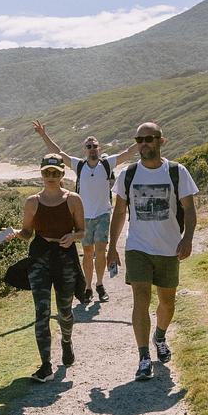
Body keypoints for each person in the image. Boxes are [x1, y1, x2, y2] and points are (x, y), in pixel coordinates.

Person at [106, 122, 198, 381]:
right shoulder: (128, 174)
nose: (143, 143)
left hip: (169, 248)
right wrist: (112, 247)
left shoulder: (177, 172)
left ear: (161, 141)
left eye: (149, 138)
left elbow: (189, 209)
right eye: (139, 140)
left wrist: (187, 239)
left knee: (167, 302)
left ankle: (160, 336)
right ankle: (144, 357)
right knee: (141, 298)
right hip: (138, 248)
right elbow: (119, 212)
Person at [0, 154, 87, 382]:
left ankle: (66, 341)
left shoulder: (73, 199)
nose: (51, 176)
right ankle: (46, 366)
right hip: (39, 257)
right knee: (42, 312)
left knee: (65, 311)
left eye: (55, 172)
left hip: (65, 258)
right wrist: (15, 234)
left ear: (62, 174)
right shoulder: (32, 202)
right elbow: (27, 233)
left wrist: (73, 237)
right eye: (47, 172)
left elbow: (82, 231)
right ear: (41, 174)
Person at [32, 120, 138, 304]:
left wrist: (145, 139)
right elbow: (59, 153)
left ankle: (100, 285)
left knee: (101, 250)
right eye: (89, 146)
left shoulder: (107, 164)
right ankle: (88, 287)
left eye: (94, 146)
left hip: (103, 214)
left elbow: (128, 153)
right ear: (85, 150)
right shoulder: (79, 166)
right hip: (84, 217)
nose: (92, 149)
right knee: (88, 252)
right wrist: (43, 135)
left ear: (99, 148)